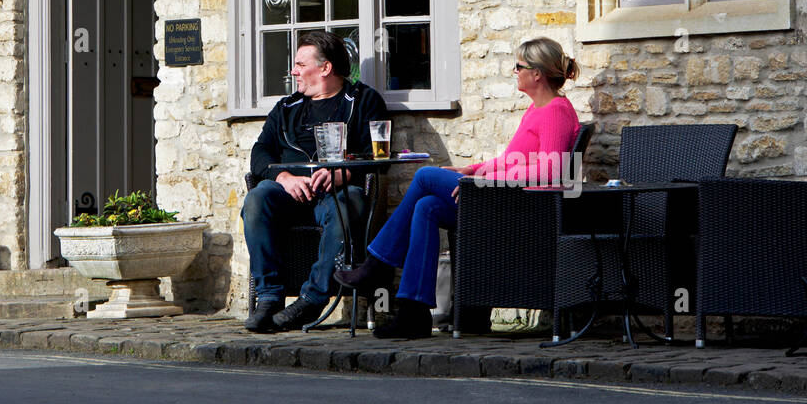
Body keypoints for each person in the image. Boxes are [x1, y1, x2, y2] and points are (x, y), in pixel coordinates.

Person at [338, 37, 581, 339]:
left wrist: (483, 182)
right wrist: (473, 170)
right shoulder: (536, 109)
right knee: (426, 208)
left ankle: (377, 264)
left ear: (537, 74)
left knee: (426, 176)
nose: (514, 71)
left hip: (522, 207)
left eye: (519, 66)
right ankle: (414, 312)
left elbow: (552, 169)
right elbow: (509, 160)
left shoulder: (555, 111)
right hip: (503, 196)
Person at [242, 31, 390, 332]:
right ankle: (269, 298)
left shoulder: (363, 101)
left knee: (347, 204)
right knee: (257, 198)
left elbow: (378, 156)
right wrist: (284, 178)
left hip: (337, 192)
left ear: (325, 68)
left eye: (299, 64)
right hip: (288, 194)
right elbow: (260, 153)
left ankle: (312, 298)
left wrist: (343, 173)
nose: (293, 71)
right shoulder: (286, 108)